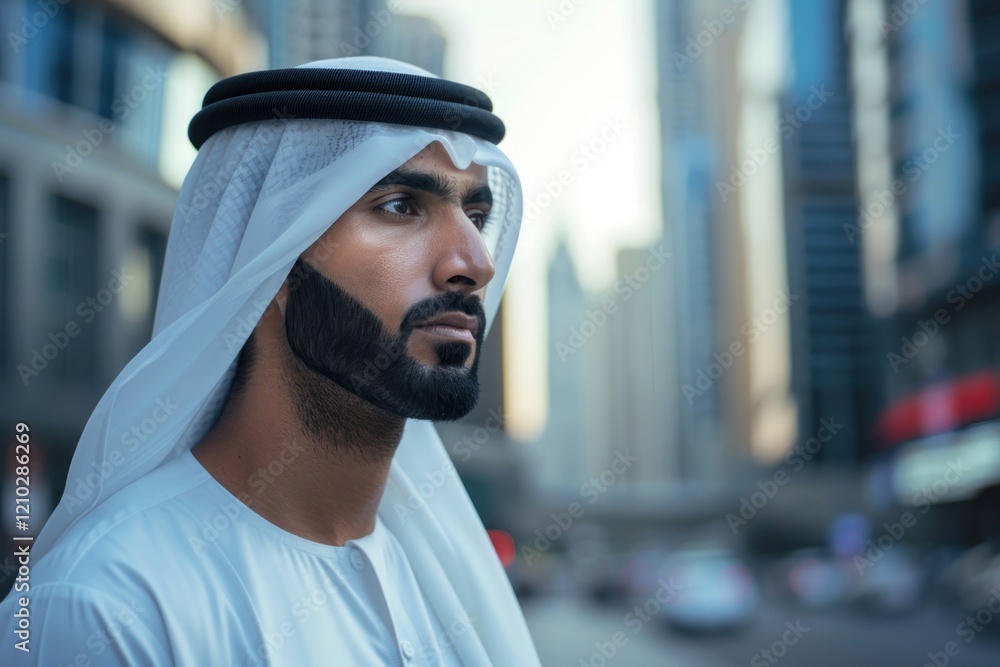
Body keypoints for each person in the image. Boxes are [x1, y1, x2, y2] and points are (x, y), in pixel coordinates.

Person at [0, 56, 541, 666]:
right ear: (271, 256)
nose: (475, 262)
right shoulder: (108, 606)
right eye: (400, 206)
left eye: (476, 216)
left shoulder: (442, 574)